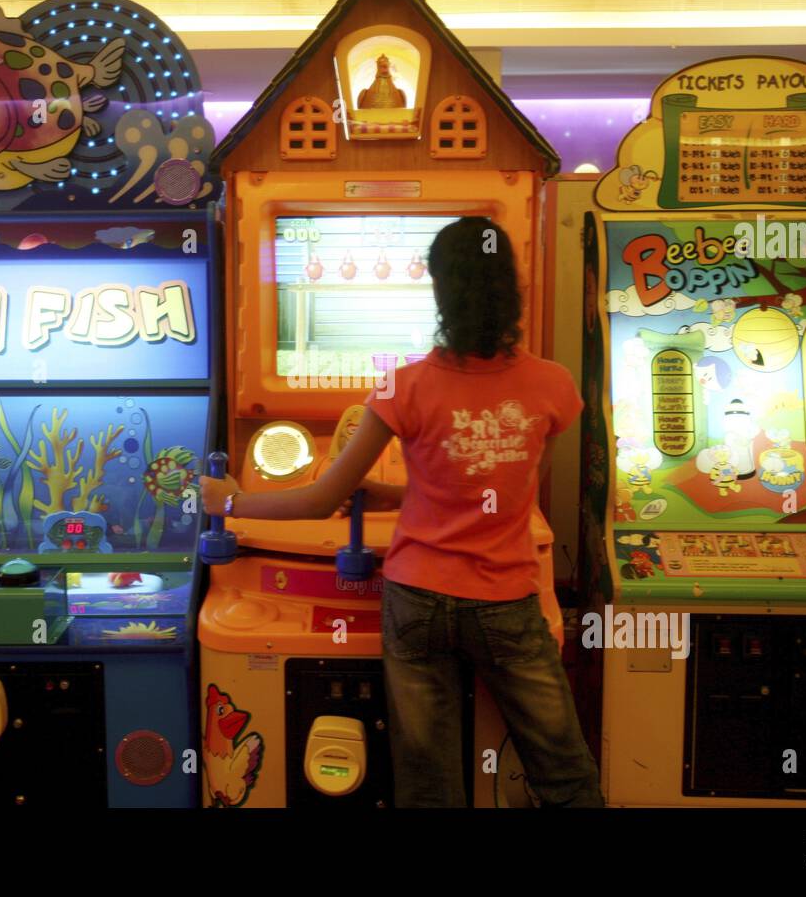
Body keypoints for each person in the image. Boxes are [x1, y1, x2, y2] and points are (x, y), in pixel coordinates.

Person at [200, 216, 602, 807]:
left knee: (428, 785)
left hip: (418, 601)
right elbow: (509, 493)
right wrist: (401, 496)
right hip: (507, 602)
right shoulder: (552, 385)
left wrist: (230, 500)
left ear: (439, 291)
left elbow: (319, 499)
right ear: (511, 288)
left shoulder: (404, 387)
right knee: (564, 770)